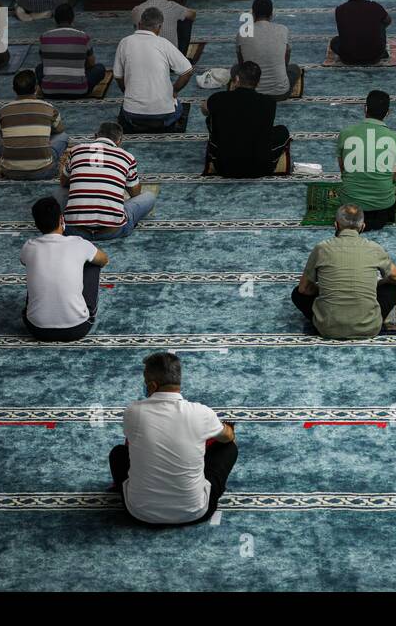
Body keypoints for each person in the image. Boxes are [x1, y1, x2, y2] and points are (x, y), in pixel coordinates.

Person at [109, 352, 239, 527]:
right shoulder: (201, 413)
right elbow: (227, 437)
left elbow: (132, 443)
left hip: (139, 512)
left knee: (119, 453)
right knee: (229, 447)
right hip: (195, 511)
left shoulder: (133, 412)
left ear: (152, 386)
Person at [291, 204, 396, 339]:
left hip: (327, 328)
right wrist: (376, 284)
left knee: (297, 294)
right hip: (369, 327)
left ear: (336, 225)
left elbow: (304, 289)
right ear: (362, 227)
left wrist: (325, 289)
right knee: (393, 290)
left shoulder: (321, 248)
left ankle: (329, 319)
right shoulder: (374, 248)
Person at [21, 196, 110, 342]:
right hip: (78, 328)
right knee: (93, 263)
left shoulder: (29, 246)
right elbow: (104, 259)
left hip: (36, 329)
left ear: (37, 224)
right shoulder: (79, 243)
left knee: (38, 267)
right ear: (61, 219)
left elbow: (24, 261)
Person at [58, 121, 156, 241]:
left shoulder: (76, 150)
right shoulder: (127, 157)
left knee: (59, 192)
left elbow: (63, 182)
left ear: (95, 136)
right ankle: (111, 212)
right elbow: (135, 194)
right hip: (113, 231)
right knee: (149, 197)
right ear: (119, 141)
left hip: (73, 230)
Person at [202, 62, 291, 177]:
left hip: (224, 167)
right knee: (282, 131)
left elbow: (204, 110)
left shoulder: (219, 98)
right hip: (261, 168)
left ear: (237, 79)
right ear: (258, 83)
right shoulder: (268, 102)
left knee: (211, 120)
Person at [114, 6, 193, 130]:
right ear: (159, 27)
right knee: (179, 107)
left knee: (125, 110)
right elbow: (187, 71)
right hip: (163, 112)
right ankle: (162, 123)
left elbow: (118, 76)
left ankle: (138, 123)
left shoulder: (124, 43)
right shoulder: (164, 43)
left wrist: (127, 91)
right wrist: (174, 90)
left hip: (132, 112)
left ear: (140, 24)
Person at [338, 90, 396, 231]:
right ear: (388, 113)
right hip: (383, 206)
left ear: (365, 108)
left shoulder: (346, 133)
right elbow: (394, 176)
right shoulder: (394, 138)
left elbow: (343, 168)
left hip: (350, 205)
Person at [0, 70, 69, 180]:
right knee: (63, 136)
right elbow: (59, 129)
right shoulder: (49, 108)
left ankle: (13, 162)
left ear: (14, 89)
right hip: (44, 171)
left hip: (10, 172)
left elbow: (3, 136)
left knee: (3, 138)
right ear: (36, 88)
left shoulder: (3, 110)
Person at [236, 0, 301, 100]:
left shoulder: (243, 32)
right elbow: (286, 57)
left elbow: (241, 63)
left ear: (253, 14)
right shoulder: (283, 30)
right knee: (295, 69)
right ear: (271, 15)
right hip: (280, 93)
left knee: (234, 69)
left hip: (251, 92)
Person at [37, 4, 106, 98]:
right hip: (79, 90)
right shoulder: (83, 37)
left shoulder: (44, 37)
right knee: (100, 68)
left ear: (55, 19)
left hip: (49, 91)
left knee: (39, 68)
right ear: (72, 19)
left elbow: (44, 62)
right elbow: (91, 63)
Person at [331, 0, 391, 64]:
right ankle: (380, 50)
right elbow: (388, 21)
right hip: (374, 56)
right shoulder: (376, 7)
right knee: (381, 24)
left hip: (348, 57)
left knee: (334, 41)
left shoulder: (340, 9)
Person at [131, 0, 196, 50]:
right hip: (170, 55)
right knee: (185, 20)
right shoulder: (173, 7)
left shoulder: (136, 10)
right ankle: (181, 55)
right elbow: (193, 15)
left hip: (145, 53)